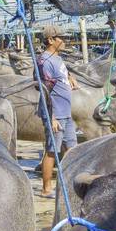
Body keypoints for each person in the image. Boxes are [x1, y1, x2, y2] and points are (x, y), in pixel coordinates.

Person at [37, 23, 78, 198]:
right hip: (55, 113)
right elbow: (45, 89)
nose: (65, 41)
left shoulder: (57, 58)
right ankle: (46, 188)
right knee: (52, 149)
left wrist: (70, 77)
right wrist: (51, 117)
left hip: (66, 111)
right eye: (62, 38)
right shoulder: (44, 61)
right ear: (50, 40)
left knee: (71, 147)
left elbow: (61, 75)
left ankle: (67, 183)